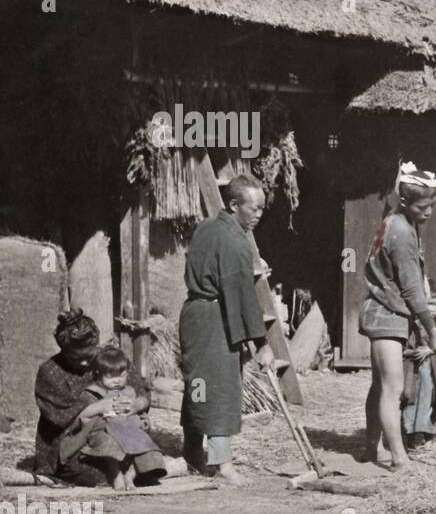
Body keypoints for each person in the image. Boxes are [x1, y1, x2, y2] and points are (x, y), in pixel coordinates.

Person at [180, 173, 275, 484]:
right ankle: (222, 465)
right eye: (253, 208)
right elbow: (242, 296)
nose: (259, 215)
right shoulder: (235, 242)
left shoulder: (206, 226)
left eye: (262, 208)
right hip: (214, 318)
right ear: (234, 205)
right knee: (220, 387)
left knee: (198, 384)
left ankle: (193, 454)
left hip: (194, 313)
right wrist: (261, 343)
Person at [361, 162, 436, 469]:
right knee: (393, 388)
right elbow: (412, 290)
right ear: (406, 201)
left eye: (432, 205)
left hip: (385, 311)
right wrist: (432, 330)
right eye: (422, 207)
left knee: (380, 386)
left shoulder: (397, 217)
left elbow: (391, 197)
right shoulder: (401, 233)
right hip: (386, 313)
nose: (428, 212)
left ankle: (372, 448)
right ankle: (399, 457)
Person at [35, 310, 154, 487]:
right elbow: (61, 421)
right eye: (75, 357)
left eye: (89, 356)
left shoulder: (111, 360)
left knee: (149, 463)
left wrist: (137, 406)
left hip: (120, 435)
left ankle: (126, 471)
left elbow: (142, 392)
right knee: (97, 474)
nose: (84, 363)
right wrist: (100, 407)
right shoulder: (50, 372)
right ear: (63, 349)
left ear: (96, 344)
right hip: (74, 446)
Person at [58, 346, 167, 490]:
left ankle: (130, 476)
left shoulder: (130, 392)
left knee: (149, 449)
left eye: (121, 375)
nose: (117, 381)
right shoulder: (92, 392)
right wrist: (99, 408)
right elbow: (81, 416)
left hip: (130, 432)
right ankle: (116, 474)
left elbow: (141, 410)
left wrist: (142, 417)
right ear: (99, 374)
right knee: (108, 443)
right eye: (110, 376)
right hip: (105, 430)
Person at [401, 279, 436, 451]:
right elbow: (403, 346)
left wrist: (430, 349)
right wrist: (412, 352)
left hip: (433, 369)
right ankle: (410, 434)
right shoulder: (411, 322)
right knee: (411, 399)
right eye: (428, 304)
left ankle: (427, 433)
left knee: (431, 399)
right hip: (413, 369)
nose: (432, 309)